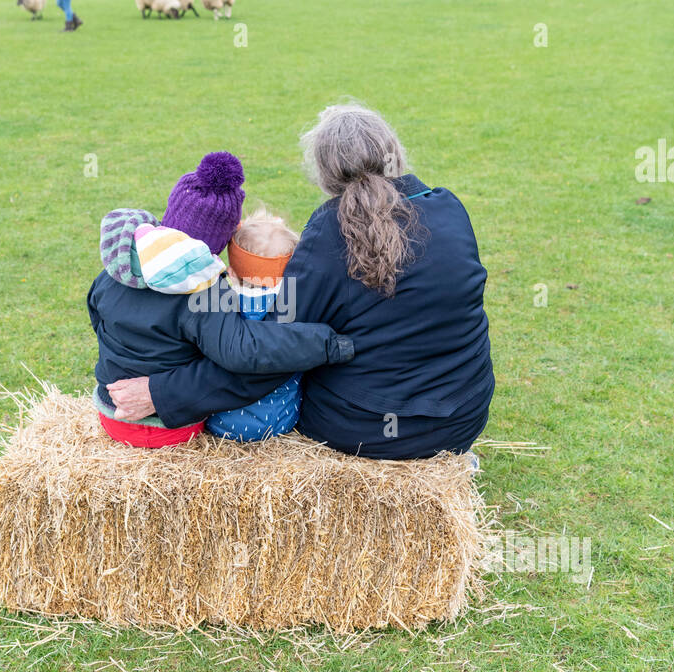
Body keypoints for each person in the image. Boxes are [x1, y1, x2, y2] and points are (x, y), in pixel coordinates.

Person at [108, 102, 494, 462]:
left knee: (294, 368)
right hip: (464, 418)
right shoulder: (449, 206)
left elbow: (271, 355)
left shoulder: (329, 230)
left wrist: (161, 393)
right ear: (395, 151)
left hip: (363, 428)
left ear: (325, 174)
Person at [87, 152, 354, 448]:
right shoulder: (202, 290)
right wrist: (326, 342)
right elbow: (242, 351)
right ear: (220, 242)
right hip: (167, 426)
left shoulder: (117, 265)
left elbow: (96, 315)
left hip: (110, 411)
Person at [206, 210, 303, 442]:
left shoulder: (216, 303)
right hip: (281, 421)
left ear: (231, 272)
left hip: (220, 422)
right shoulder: (298, 304)